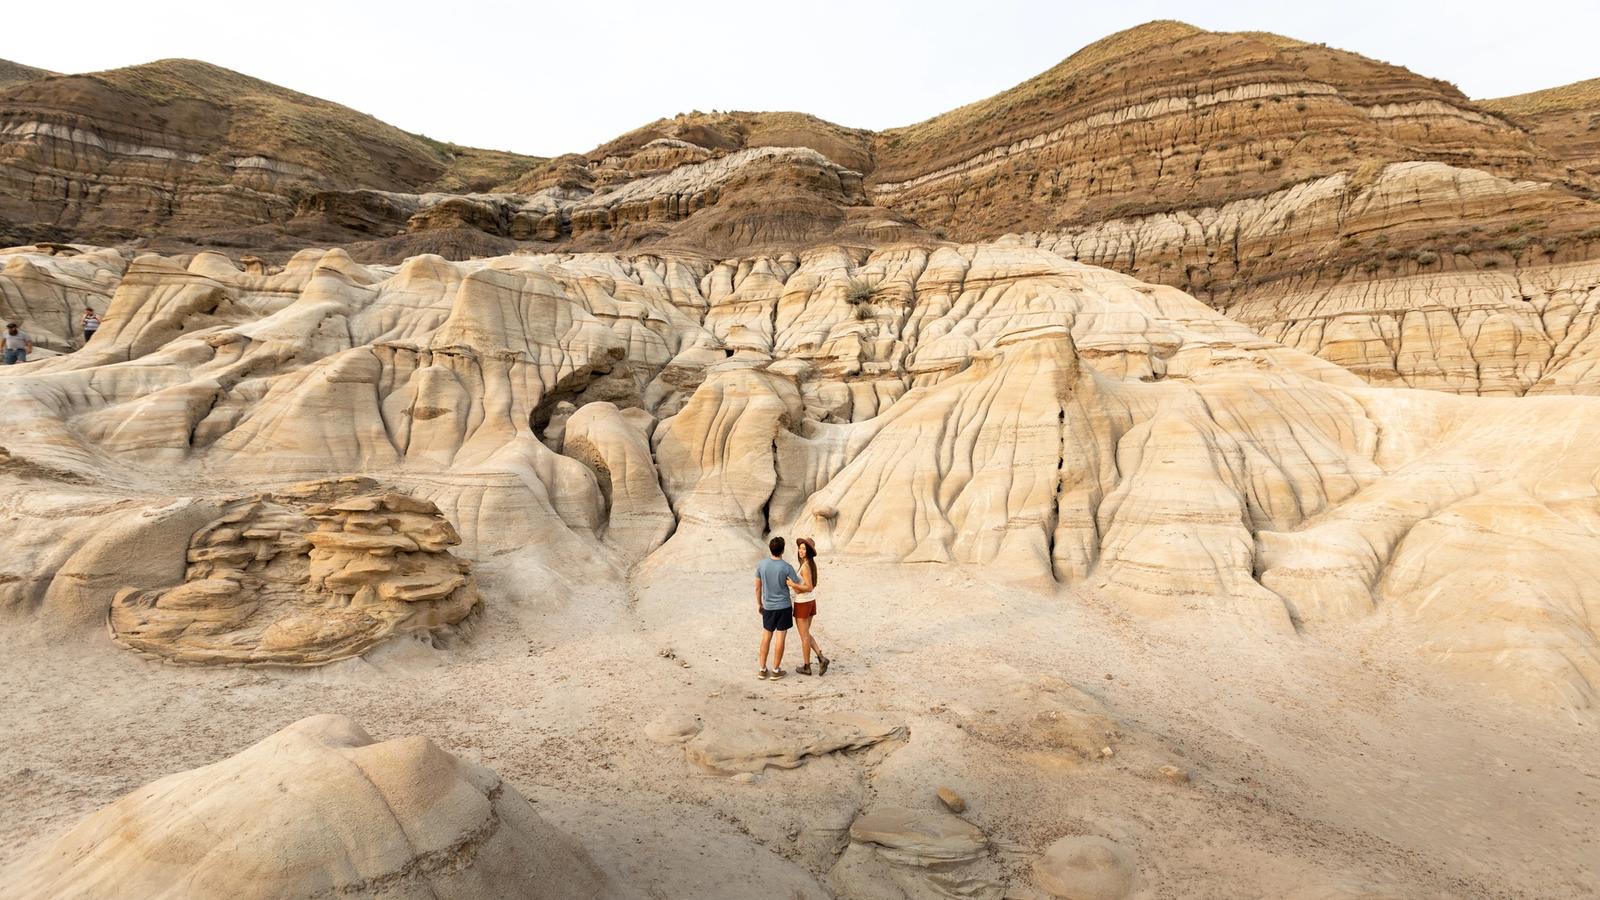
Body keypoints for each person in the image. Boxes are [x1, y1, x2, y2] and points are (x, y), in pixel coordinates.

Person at [755, 535, 799, 681]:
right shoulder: (787, 567)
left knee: (766, 637)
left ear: (770, 549)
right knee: (780, 638)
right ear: (783, 550)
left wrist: (759, 604)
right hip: (784, 607)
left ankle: (762, 669)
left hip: (768, 607)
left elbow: (757, 587)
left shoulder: (761, 565)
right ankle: (775, 670)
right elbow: (796, 585)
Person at [787, 537, 830, 676]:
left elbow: (809, 587)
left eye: (804, 549)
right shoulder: (809, 564)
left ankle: (807, 666)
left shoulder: (805, 566)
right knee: (806, 634)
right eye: (800, 548)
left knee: (804, 636)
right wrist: (797, 588)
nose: (800, 551)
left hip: (803, 603)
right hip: (810, 602)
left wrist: (793, 585)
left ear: (809, 552)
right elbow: (808, 586)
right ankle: (821, 658)